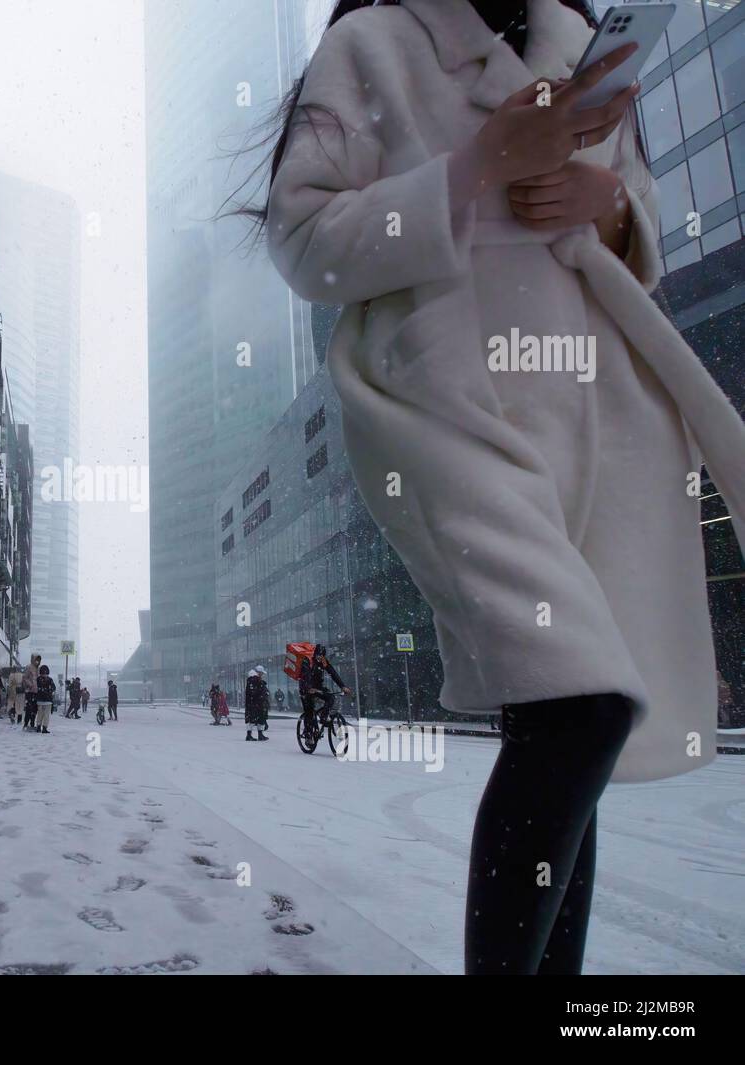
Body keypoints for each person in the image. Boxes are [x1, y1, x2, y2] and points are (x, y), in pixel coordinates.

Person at [254, 0, 745, 974]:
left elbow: (629, 220)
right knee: (582, 708)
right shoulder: (370, 48)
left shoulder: (576, 45)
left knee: (568, 733)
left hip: (597, 421)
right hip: (449, 416)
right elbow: (303, 241)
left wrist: (601, 207)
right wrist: (479, 168)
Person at [299, 644, 352, 722]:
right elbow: (307, 675)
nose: (320, 657)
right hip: (306, 688)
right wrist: (309, 687)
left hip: (318, 687)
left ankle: (324, 716)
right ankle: (307, 732)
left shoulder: (323, 661)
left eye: (322, 655)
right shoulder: (308, 660)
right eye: (318, 655)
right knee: (309, 712)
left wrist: (342, 686)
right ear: (315, 654)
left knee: (330, 697)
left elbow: (332, 673)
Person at [244, 667, 270, 742]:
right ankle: (250, 735)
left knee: (259, 719)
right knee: (252, 719)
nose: (262, 675)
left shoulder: (256, 680)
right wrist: (261, 696)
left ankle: (260, 734)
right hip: (255, 704)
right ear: (258, 672)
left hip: (257, 703)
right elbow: (254, 692)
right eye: (261, 673)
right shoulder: (253, 680)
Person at [22, 654, 40, 731]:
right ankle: (26, 724)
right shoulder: (28, 667)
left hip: (37, 692)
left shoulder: (38, 669)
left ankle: (32, 723)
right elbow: (25, 678)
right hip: (30, 691)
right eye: (36, 659)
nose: (37, 661)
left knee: (35, 709)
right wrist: (30, 685)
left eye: (39, 660)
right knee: (29, 708)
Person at [36, 664, 56, 734]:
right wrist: (49, 691)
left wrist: (41, 690)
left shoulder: (38, 679)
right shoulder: (50, 680)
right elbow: (53, 688)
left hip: (40, 700)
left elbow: (36, 688)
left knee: (40, 714)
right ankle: (44, 727)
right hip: (48, 700)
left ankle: (38, 726)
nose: (45, 674)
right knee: (46, 715)